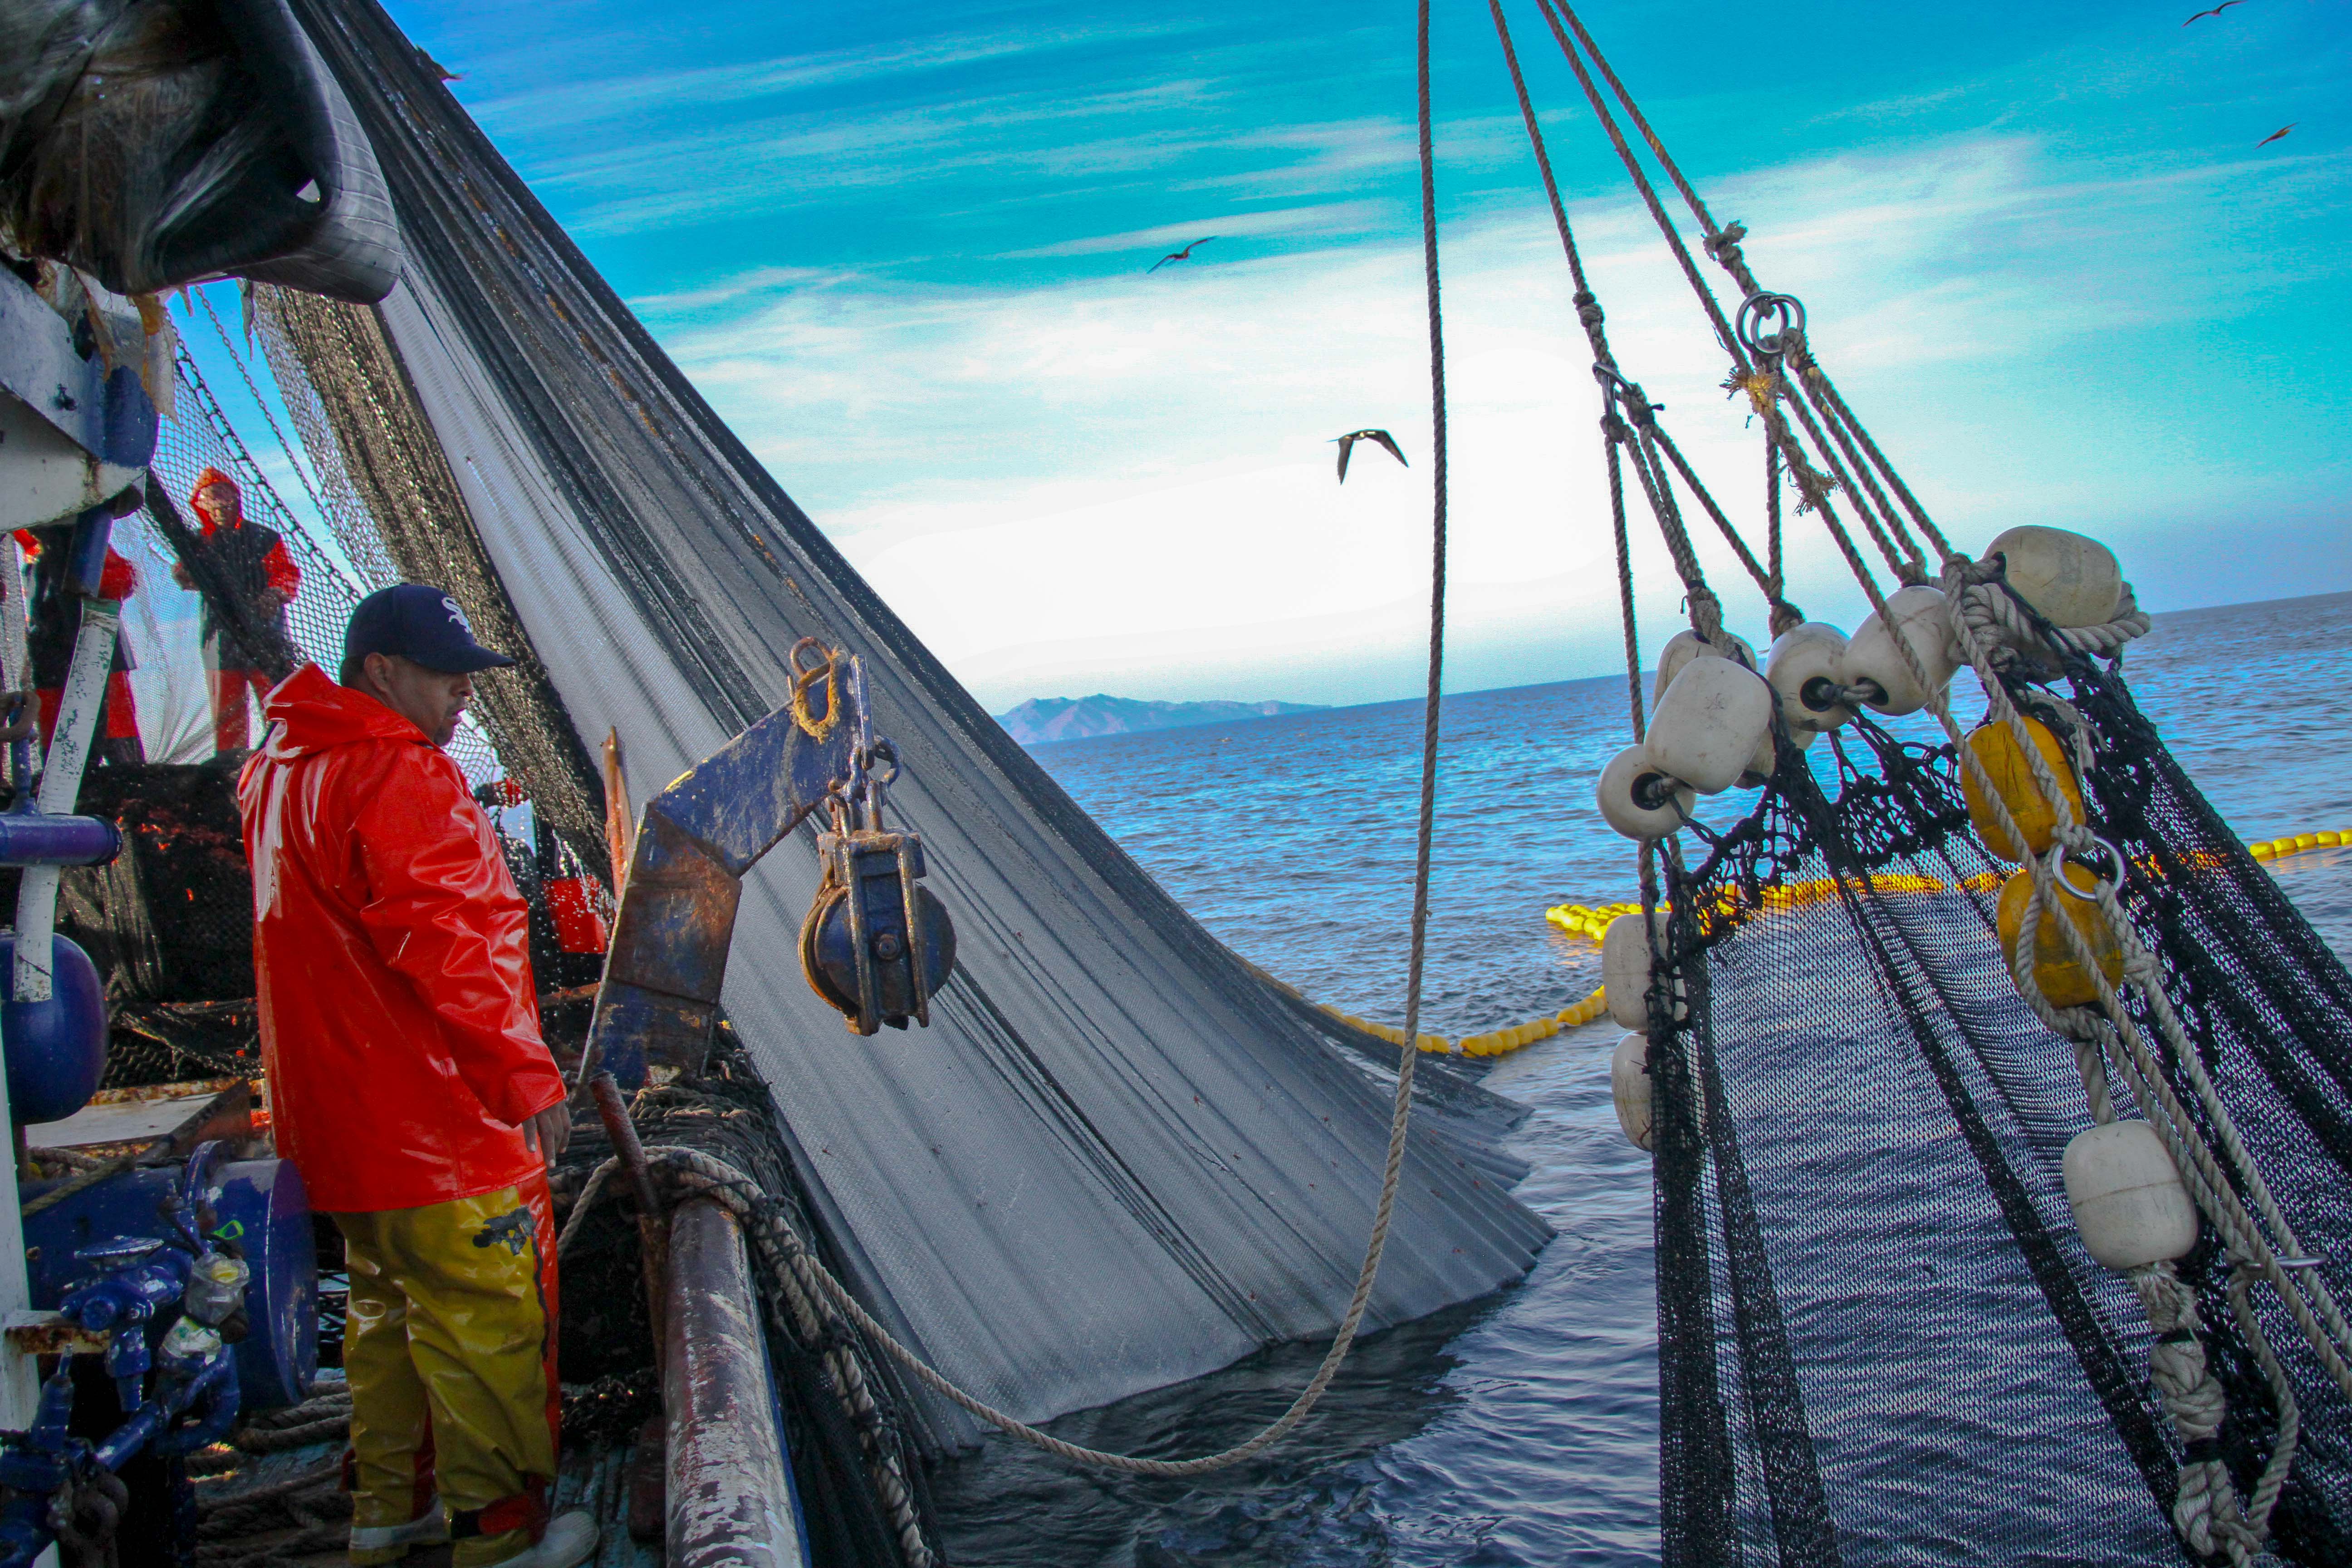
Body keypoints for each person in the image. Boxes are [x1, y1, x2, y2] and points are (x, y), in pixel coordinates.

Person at [237, 584, 596, 1568]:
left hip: (342, 1138)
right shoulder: (398, 772)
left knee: (386, 1318)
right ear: (382, 671)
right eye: (446, 675)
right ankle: (500, 1538)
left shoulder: (277, 770)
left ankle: (387, 1517)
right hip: (436, 1130)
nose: (463, 694)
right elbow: (452, 944)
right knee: (485, 1320)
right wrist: (526, 1078)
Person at [172, 467, 299, 754]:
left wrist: (274, 594)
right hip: (218, 637)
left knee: (278, 703)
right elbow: (183, 574)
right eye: (211, 500)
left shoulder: (265, 537)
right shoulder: (196, 542)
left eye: (225, 499)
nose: (220, 507)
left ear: (236, 500)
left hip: (265, 632)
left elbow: (287, 573)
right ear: (201, 506)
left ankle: (287, 755)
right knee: (227, 715)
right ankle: (232, 766)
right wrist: (183, 574)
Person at [13, 527, 143, 764]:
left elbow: (123, 580)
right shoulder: (33, 561)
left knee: (118, 739)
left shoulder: (87, 544)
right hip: (49, 665)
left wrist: (89, 581)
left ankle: (130, 778)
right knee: (58, 744)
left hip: (102, 657)